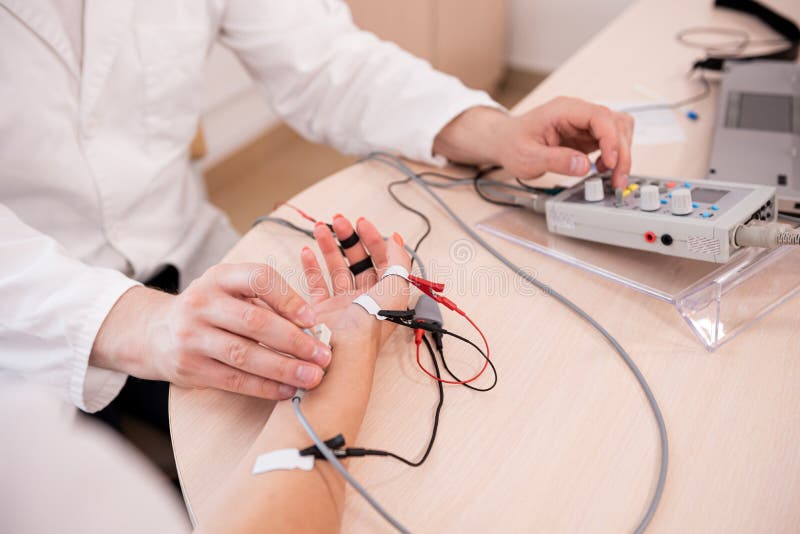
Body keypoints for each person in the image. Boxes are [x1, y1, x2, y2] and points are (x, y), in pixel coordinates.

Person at [0, 0, 634, 416]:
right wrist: (128, 322)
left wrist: (492, 130)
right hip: (28, 328)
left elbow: (329, 62)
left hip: (192, 261)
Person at [1, 216, 414, 533]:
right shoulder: (31, 466)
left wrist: (344, 342)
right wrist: (354, 345)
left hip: (186, 258)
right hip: (32, 330)